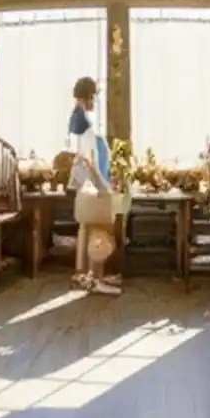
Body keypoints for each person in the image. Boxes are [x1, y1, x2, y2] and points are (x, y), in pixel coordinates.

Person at [67, 77, 120, 295]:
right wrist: (102, 187)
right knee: (99, 229)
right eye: (93, 97)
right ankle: (95, 279)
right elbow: (87, 160)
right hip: (90, 184)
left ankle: (90, 275)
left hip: (85, 183)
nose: (94, 102)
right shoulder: (84, 124)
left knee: (92, 230)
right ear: (86, 97)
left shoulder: (78, 119)